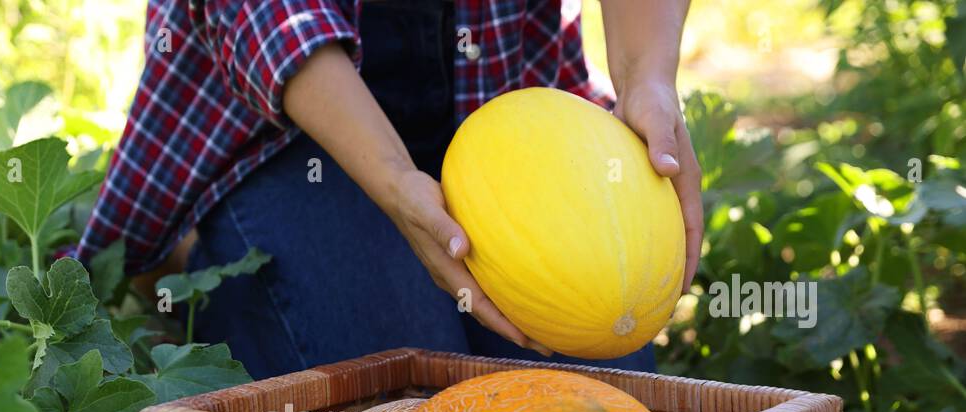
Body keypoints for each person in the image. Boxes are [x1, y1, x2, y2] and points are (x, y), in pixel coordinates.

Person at [79, 0, 703, 379]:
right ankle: (200, 257)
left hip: (500, 88)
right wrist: (397, 180)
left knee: (597, 382)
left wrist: (649, 78)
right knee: (406, 388)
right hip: (289, 126)